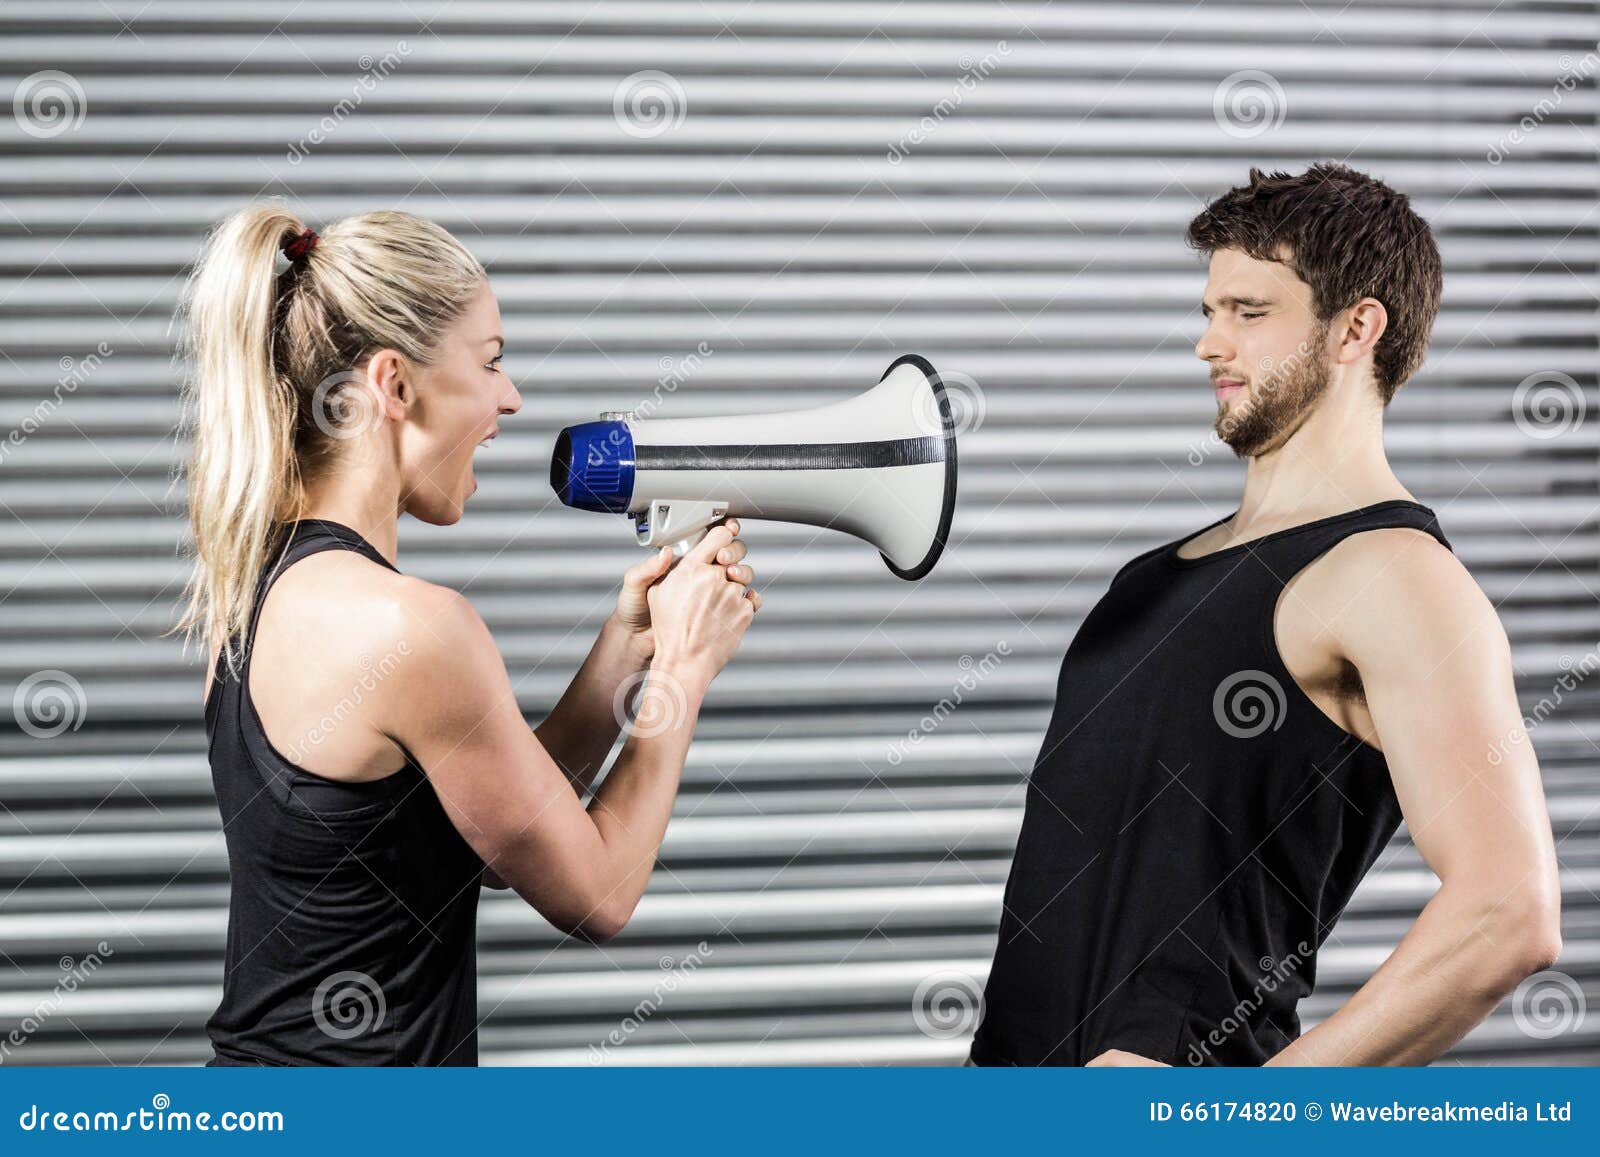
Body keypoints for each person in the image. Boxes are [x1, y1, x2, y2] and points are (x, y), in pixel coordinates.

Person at [968, 163, 1562, 1067]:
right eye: (1209, 313)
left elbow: (1509, 909)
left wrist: (1247, 1114)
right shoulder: (1152, 577)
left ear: (1356, 328)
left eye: (1250, 314)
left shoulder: (1397, 575)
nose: (1211, 345)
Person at [176, 206, 760, 1066]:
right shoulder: (412, 627)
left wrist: (623, 651)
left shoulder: (249, 594)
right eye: (489, 362)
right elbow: (598, 892)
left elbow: (481, 841)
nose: (510, 397)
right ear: (394, 385)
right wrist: (686, 666)